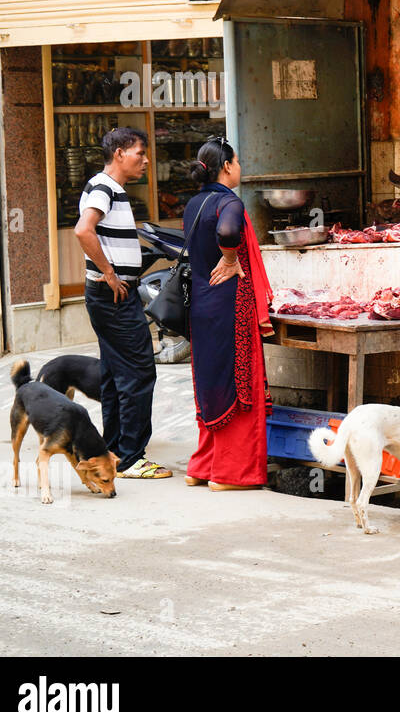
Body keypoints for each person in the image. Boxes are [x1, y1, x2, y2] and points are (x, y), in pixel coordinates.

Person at [73, 127, 170, 480]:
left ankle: (114, 449)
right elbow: (83, 230)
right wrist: (110, 274)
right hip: (112, 294)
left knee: (115, 375)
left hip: (113, 294)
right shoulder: (103, 187)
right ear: (118, 154)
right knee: (139, 372)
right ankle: (132, 457)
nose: (145, 160)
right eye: (139, 153)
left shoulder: (113, 189)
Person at [182, 137, 274, 491]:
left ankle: (203, 466)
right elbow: (228, 231)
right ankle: (231, 474)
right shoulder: (228, 202)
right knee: (239, 385)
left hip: (202, 306)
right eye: (237, 162)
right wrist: (232, 257)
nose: (240, 167)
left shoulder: (193, 204)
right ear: (225, 167)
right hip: (231, 305)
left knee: (210, 383)